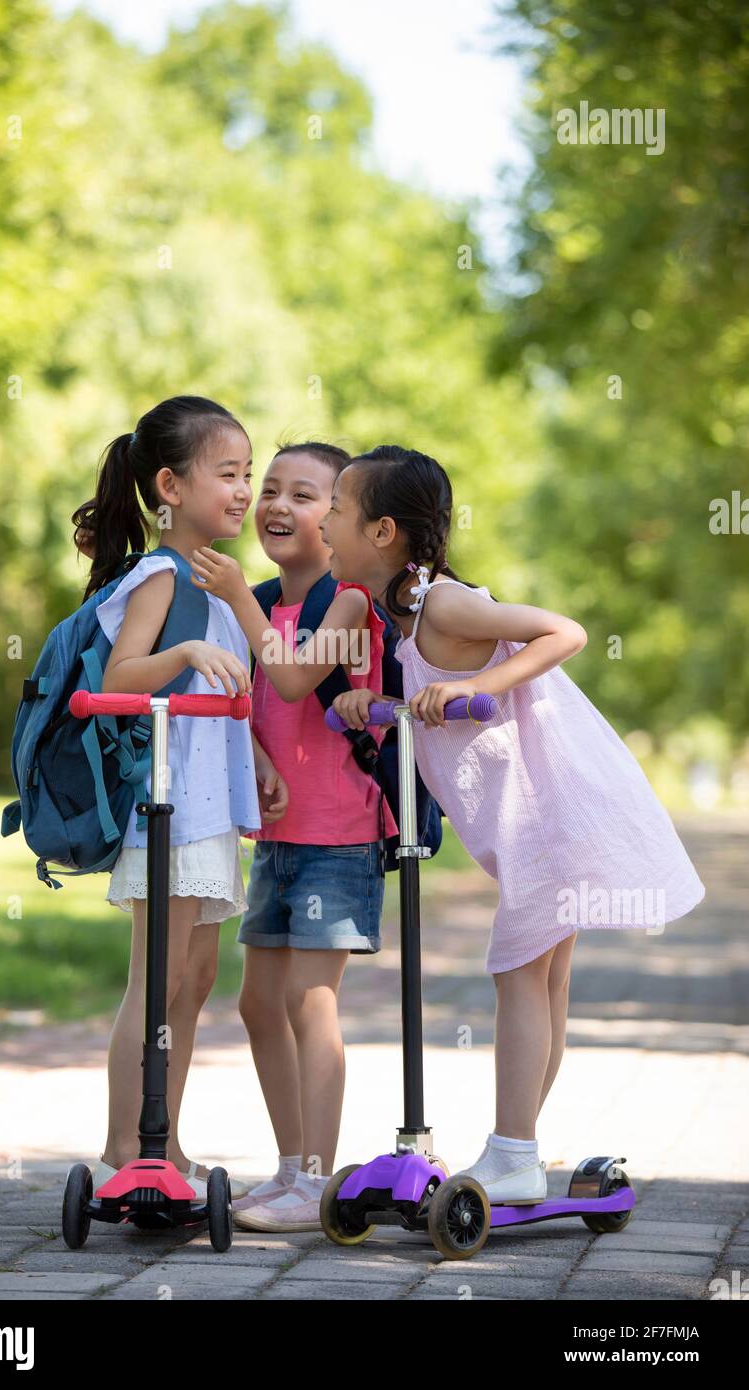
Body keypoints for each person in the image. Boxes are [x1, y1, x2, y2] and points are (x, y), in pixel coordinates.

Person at [319, 444, 705, 1202]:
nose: (323, 525)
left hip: (549, 817)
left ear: (382, 531)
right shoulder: (405, 617)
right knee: (543, 979)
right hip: (538, 822)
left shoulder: (442, 605)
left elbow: (565, 632)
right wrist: (381, 706)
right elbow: (444, 708)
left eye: (335, 509)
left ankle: (515, 1153)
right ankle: (518, 1149)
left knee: (518, 972)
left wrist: (489, 683)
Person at [71, 395, 288, 1203]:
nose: (244, 491)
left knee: (193, 981)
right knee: (156, 980)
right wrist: (187, 649)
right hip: (165, 812)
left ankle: (165, 1140)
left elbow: (221, 696)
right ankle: (120, 1150)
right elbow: (121, 677)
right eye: (228, 474)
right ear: (170, 486)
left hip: (207, 811)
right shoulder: (160, 577)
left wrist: (256, 755)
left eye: (248, 474)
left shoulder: (216, 584)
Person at [189, 442, 398, 1230]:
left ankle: (318, 1181)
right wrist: (258, 759)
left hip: (339, 834)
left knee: (311, 1000)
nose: (276, 504)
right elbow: (246, 704)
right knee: (257, 1003)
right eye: (268, 488)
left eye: (304, 495)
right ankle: (289, 1169)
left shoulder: (349, 603)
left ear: (338, 517)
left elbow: (290, 676)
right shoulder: (260, 599)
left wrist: (236, 599)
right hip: (277, 835)